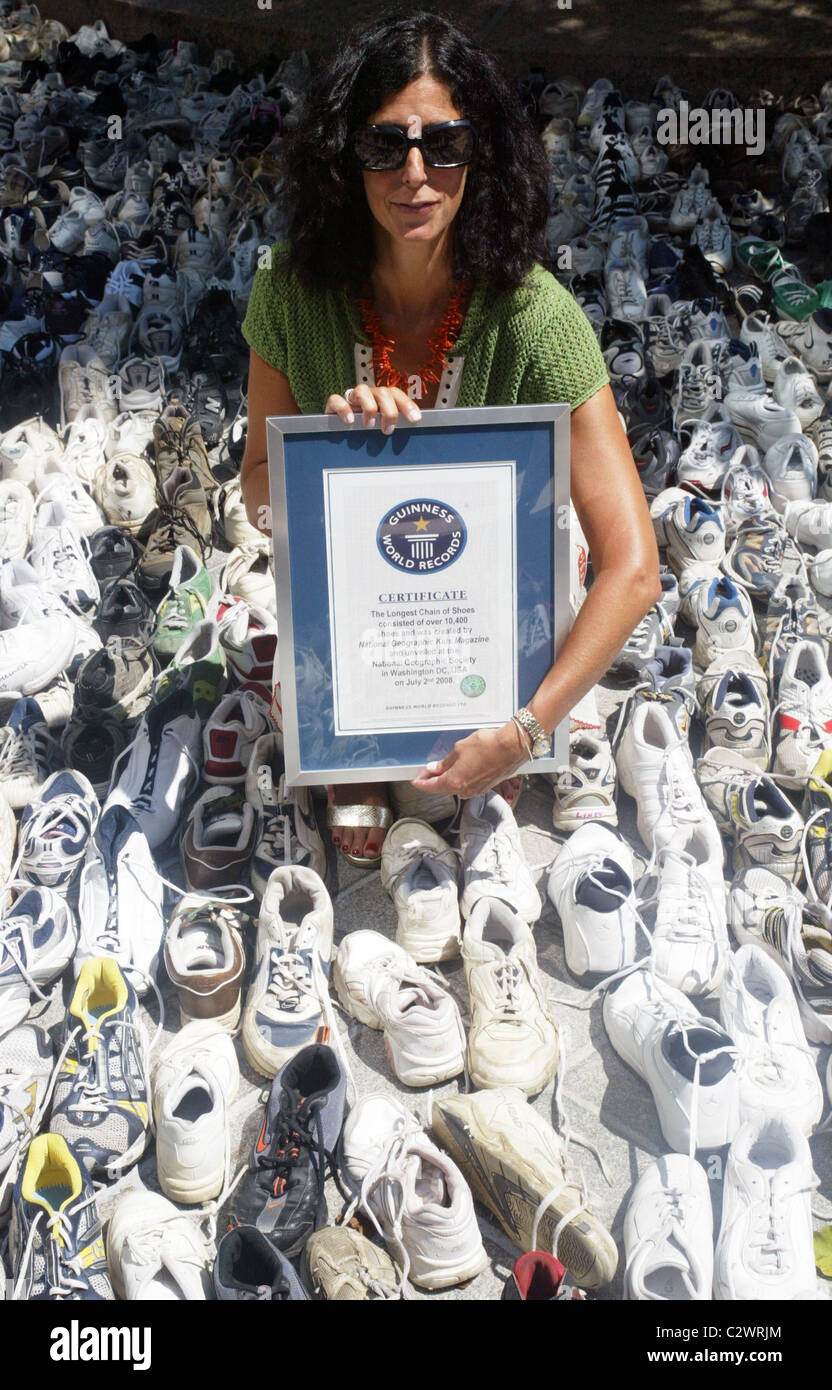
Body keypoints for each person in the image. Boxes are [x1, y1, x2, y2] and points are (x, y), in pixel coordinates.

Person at [241, 11, 660, 867]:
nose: (416, 174)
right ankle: (351, 739)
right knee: (376, 768)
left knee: (554, 570)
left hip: (479, 639)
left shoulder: (536, 316)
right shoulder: (288, 291)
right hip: (360, 621)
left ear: (486, 155)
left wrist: (524, 726)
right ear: (341, 155)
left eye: (448, 143)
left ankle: (483, 733)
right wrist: (322, 450)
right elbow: (254, 487)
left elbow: (635, 566)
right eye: (384, 145)